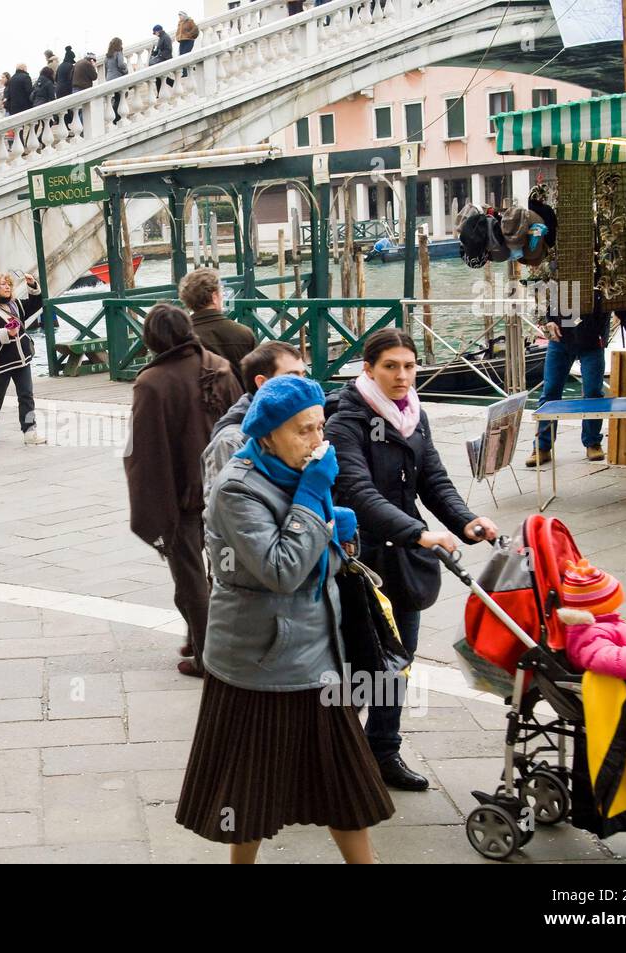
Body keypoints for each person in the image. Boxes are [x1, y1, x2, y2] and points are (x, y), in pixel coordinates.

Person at [176, 374, 393, 864]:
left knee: (344, 783)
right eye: (303, 431)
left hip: (317, 653)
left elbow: (322, 565)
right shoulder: (236, 489)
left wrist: (337, 529)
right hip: (260, 661)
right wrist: (316, 500)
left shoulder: (292, 474)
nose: (317, 442)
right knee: (248, 792)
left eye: (321, 428)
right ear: (269, 434)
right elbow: (282, 569)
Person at [325, 328, 498, 791]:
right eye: (390, 367)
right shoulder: (347, 420)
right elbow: (356, 492)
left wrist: (465, 521)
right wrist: (418, 532)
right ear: (369, 369)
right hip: (360, 560)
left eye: (409, 365)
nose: (402, 376)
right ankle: (334, 753)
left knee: (399, 658)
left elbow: (433, 479)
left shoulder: (413, 415)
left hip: (404, 555)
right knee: (360, 661)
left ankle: (383, 750)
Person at [125, 303, 241, 676]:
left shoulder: (152, 382)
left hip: (184, 494)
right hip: (229, 487)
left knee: (189, 576)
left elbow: (144, 452)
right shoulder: (220, 367)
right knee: (227, 571)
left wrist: (151, 505)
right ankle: (203, 641)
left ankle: (210, 657)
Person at [526, 303, 626, 466]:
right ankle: (542, 447)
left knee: (593, 392)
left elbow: (625, 306)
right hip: (560, 339)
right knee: (550, 392)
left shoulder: (605, 279)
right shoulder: (560, 277)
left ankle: (593, 442)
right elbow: (544, 293)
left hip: (592, 341)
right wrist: (548, 320)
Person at [202, 340, 306, 500]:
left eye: (303, 375)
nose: (303, 384)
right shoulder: (231, 441)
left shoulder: (300, 424)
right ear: (262, 383)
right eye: (292, 376)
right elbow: (224, 511)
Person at [0, 271, 46, 445]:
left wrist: (32, 286)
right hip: (2, 363)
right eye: (3, 284)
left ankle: (30, 432)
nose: (7, 287)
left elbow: (35, 305)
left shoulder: (15, 305)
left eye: (9, 284)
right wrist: (5, 333)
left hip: (21, 358)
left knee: (26, 395)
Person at [177, 267, 256, 386]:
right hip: (237, 401)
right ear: (214, 297)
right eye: (221, 293)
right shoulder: (244, 333)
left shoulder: (180, 337)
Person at [105, 38, 129, 123]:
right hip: (117, 78)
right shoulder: (119, 52)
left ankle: (115, 117)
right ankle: (116, 118)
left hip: (109, 78)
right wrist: (126, 69)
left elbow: (106, 67)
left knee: (116, 98)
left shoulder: (108, 55)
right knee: (121, 96)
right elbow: (120, 64)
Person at [149, 24, 174, 93]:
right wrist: (155, 53)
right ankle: (160, 92)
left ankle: (172, 84)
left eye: (155, 33)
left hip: (165, 59)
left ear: (158, 31)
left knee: (158, 75)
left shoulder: (165, 37)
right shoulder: (161, 37)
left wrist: (159, 56)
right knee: (158, 76)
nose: (155, 34)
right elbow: (160, 49)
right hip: (162, 58)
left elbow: (168, 50)